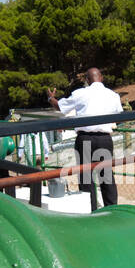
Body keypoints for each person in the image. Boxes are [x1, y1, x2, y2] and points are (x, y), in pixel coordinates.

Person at [47, 66, 124, 207]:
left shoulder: (80, 93)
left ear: (87, 80)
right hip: (104, 139)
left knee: (85, 176)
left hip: (85, 139)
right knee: (106, 176)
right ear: (101, 78)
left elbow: (60, 106)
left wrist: (51, 98)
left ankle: (90, 210)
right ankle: (112, 209)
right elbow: (119, 117)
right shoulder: (113, 95)